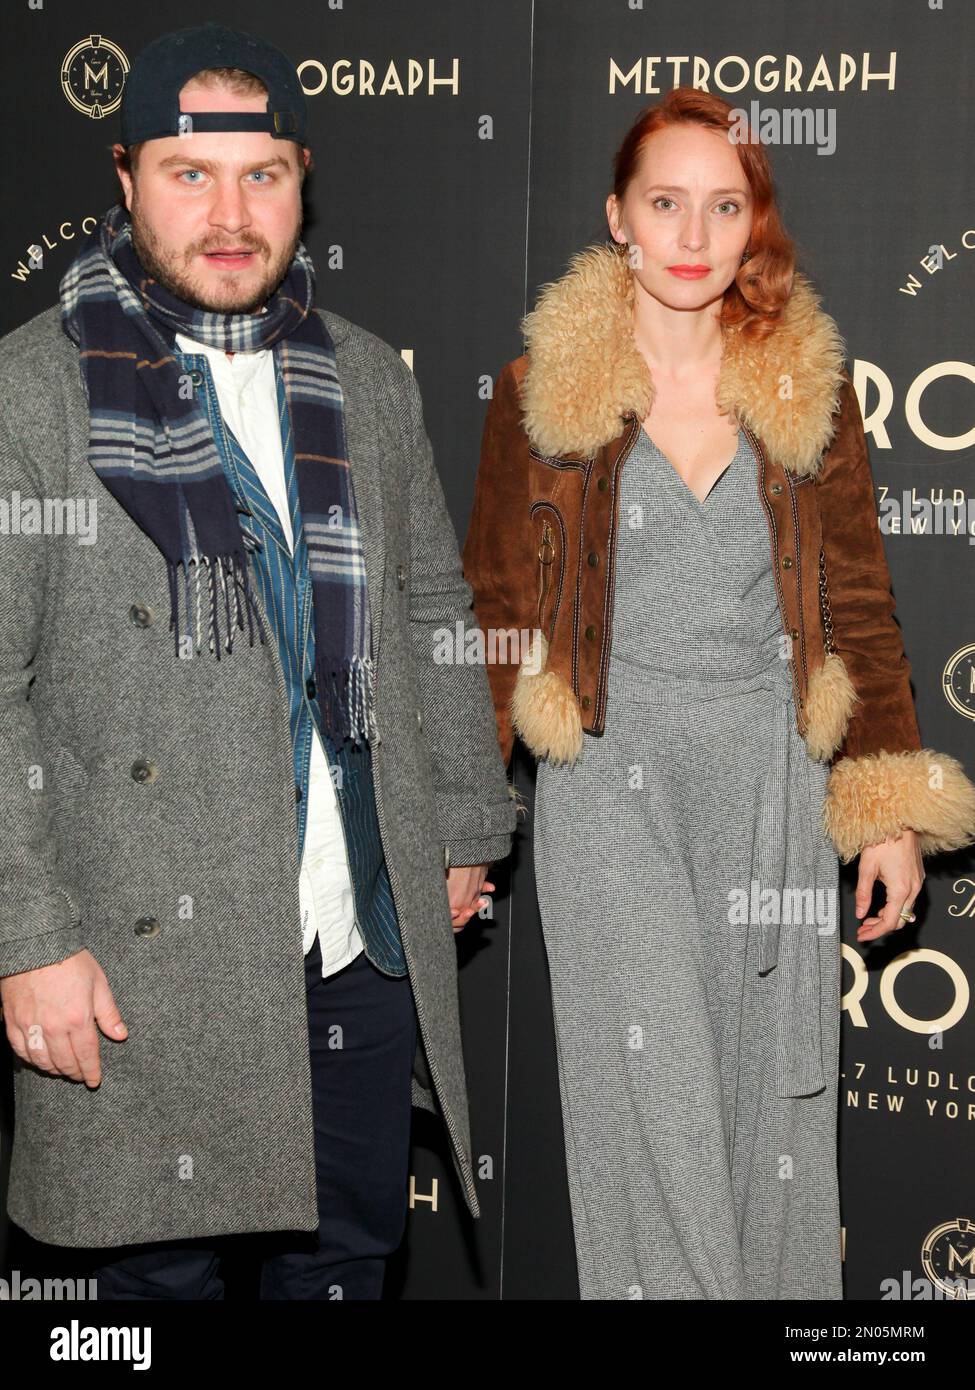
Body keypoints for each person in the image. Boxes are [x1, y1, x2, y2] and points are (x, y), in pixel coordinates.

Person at [0, 22, 516, 1300]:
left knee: (339, 1272)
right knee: (137, 1305)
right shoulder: (31, 392)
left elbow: (431, 602)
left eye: (263, 174)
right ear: (125, 179)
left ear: (301, 179)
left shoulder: (363, 378)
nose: (231, 215)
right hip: (133, 964)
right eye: (190, 173)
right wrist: (25, 937)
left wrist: (459, 819)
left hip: (349, 937)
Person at [461, 87, 975, 1300]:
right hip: (606, 777)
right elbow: (494, 614)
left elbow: (857, 606)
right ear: (618, 218)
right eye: (666, 202)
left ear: (755, 225)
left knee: (770, 1113)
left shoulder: (810, 392)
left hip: (768, 780)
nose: (694, 234)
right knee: (653, 1104)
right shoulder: (542, 394)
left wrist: (884, 807)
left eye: (724, 205)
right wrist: (469, 822)